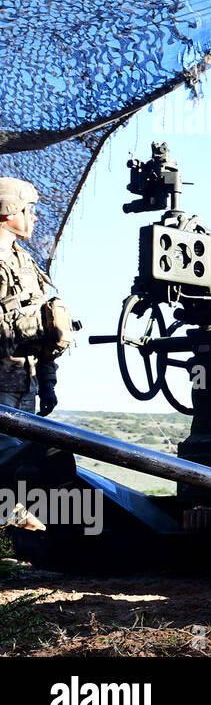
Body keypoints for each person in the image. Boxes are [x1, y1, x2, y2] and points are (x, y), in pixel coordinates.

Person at [0, 177, 76, 488]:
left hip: (24, 386)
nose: (34, 216)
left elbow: (43, 328)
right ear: (8, 210)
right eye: (29, 208)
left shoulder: (26, 264)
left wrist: (47, 383)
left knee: (23, 469)